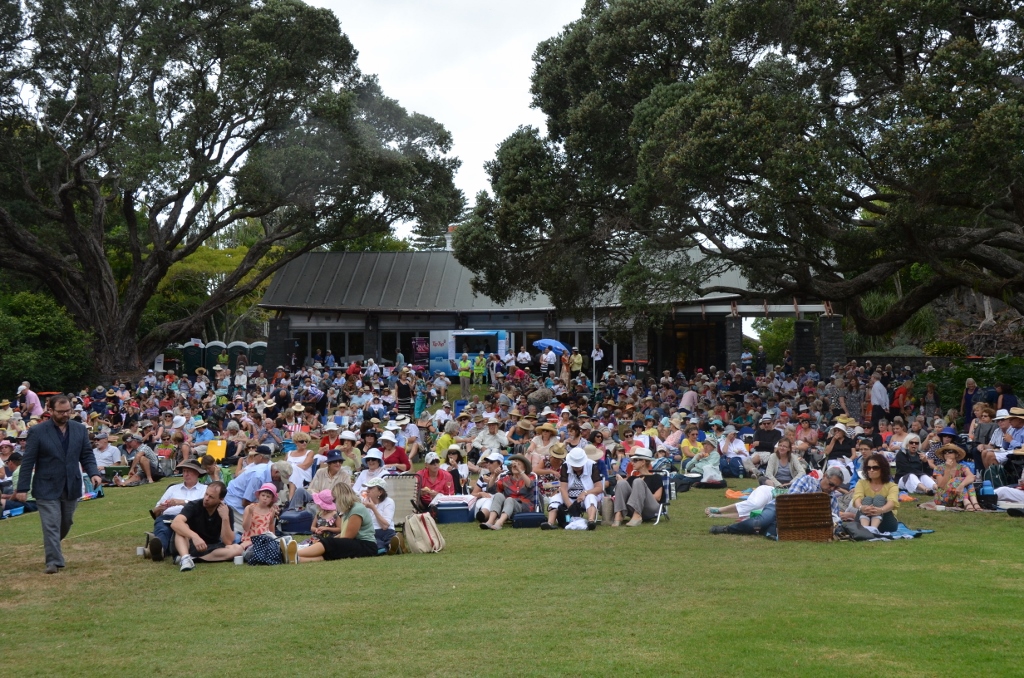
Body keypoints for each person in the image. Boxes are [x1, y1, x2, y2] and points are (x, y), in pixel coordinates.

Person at [14, 395, 102, 574]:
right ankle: (54, 562)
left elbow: (86, 454)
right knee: (51, 524)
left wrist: (94, 473)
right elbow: (28, 461)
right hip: (46, 486)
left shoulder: (79, 429)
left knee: (66, 522)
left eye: (68, 411)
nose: (65, 414)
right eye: (61, 412)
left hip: (71, 485)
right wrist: (22, 488)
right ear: (51, 410)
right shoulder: (37, 431)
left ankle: (52, 544)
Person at [708, 468, 846, 538]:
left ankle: (768, 529)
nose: (832, 489)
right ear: (825, 476)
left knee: (763, 528)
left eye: (836, 487)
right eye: (831, 484)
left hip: (798, 521)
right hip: (779, 508)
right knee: (760, 522)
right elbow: (791, 501)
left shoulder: (832, 498)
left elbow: (836, 519)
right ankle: (727, 529)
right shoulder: (806, 480)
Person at [171, 481, 244, 572]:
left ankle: (192, 559)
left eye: (211, 497)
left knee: (238, 549)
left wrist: (225, 518)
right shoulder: (194, 505)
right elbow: (175, 523)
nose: (206, 498)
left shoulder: (226, 510)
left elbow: (228, 541)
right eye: (206, 494)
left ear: (221, 499)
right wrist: (195, 536)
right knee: (182, 527)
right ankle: (185, 557)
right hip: (188, 544)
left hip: (209, 547)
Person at [295, 483, 378, 562]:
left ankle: (295, 554)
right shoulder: (348, 510)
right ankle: (298, 559)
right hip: (358, 543)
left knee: (330, 543)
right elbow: (344, 534)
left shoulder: (357, 509)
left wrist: (331, 541)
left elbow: (348, 536)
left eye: (335, 499)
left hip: (366, 546)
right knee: (331, 548)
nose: (335, 503)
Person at [146, 461, 207, 562]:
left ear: (197, 473)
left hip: (190, 519)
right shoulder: (173, 489)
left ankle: (158, 549)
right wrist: (161, 508)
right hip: (168, 517)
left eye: (189, 471)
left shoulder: (204, 489)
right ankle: (160, 550)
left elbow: (203, 507)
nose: (186, 474)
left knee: (178, 530)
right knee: (163, 528)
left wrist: (182, 502)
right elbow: (155, 513)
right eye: (184, 471)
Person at [540, 447, 603, 531]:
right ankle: (550, 523)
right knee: (556, 498)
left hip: (586, 496)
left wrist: (585, 493)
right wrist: (569, 505)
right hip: (569, 496)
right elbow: (563, 488)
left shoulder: (592, 465)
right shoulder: (565, 465)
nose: (576, 467)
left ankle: (591, 521)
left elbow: (599, 488)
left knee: (590, 497)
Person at [479, 454, 535, 530]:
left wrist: (520, 471)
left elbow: (530, 485)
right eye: (513, 464)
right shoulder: (506, 479)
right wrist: (495, 476)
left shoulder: (530, 476)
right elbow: (491, 489)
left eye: (518, 464)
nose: (515, 466)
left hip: (524, 506)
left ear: (524, 468)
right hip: (507, 506)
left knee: (509, 499)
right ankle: (490, 521)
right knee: (498, 495)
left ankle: (500, 522)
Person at [611, 448, 663, 527]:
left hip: (651, 508)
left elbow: (658, 497)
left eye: (635, 460)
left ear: (643, 462)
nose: (632, 463)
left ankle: (637, 515)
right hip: (632, 507)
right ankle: (619, 515)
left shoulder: (656, 477)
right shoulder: (632, 478)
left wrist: (641, 493)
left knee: (638, 482)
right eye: (632, 460)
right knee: (622, 483)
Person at [853, 453, 900, 531]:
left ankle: (873, 529)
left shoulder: (892, 486)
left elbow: (892, 502)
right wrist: (862, 507)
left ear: (883, 469)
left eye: (875, 468)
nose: (871, 470)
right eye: (868, 468)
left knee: (879, 498)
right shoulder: (861, 483)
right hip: (863, 518)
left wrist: (881, 510)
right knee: (867, 499)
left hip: (885, 521)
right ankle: (865, 530)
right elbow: (857, 498)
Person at [933, 444, 981, 511]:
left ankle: (974, 502)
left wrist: (961, 485)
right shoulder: (938, 468)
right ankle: (967, 502)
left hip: (956, 497)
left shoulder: (962, 467)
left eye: (950, 451)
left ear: (956, 454)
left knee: (968, 481)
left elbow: (972, 477)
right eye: (945, 452)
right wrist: (948, 469)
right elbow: (941, 486)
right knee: (958, 480)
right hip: (942, 498)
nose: (947, 453)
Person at [240, 482, 281, 551]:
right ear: (259, 495)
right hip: (250, 539)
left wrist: (274, 539)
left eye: (268, 496)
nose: (265, 498)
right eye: (263, 495)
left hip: (264, 540)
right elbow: (246, 528)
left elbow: (271, 526)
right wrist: (250, 513)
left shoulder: (271, 510)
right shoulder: (250, 508)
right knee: (243, 548)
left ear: (271, 499)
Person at [361, 477, 397, 554]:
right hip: (372, 532)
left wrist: (373, 508)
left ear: (380, 492)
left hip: (387, 531)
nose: (367, 490)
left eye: (371, 488)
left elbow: (385, 526)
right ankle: (387, 548)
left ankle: (390, 545)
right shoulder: (364, 502)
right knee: (373, 539)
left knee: (389, 536)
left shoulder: (388, 502)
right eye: (367, 488)